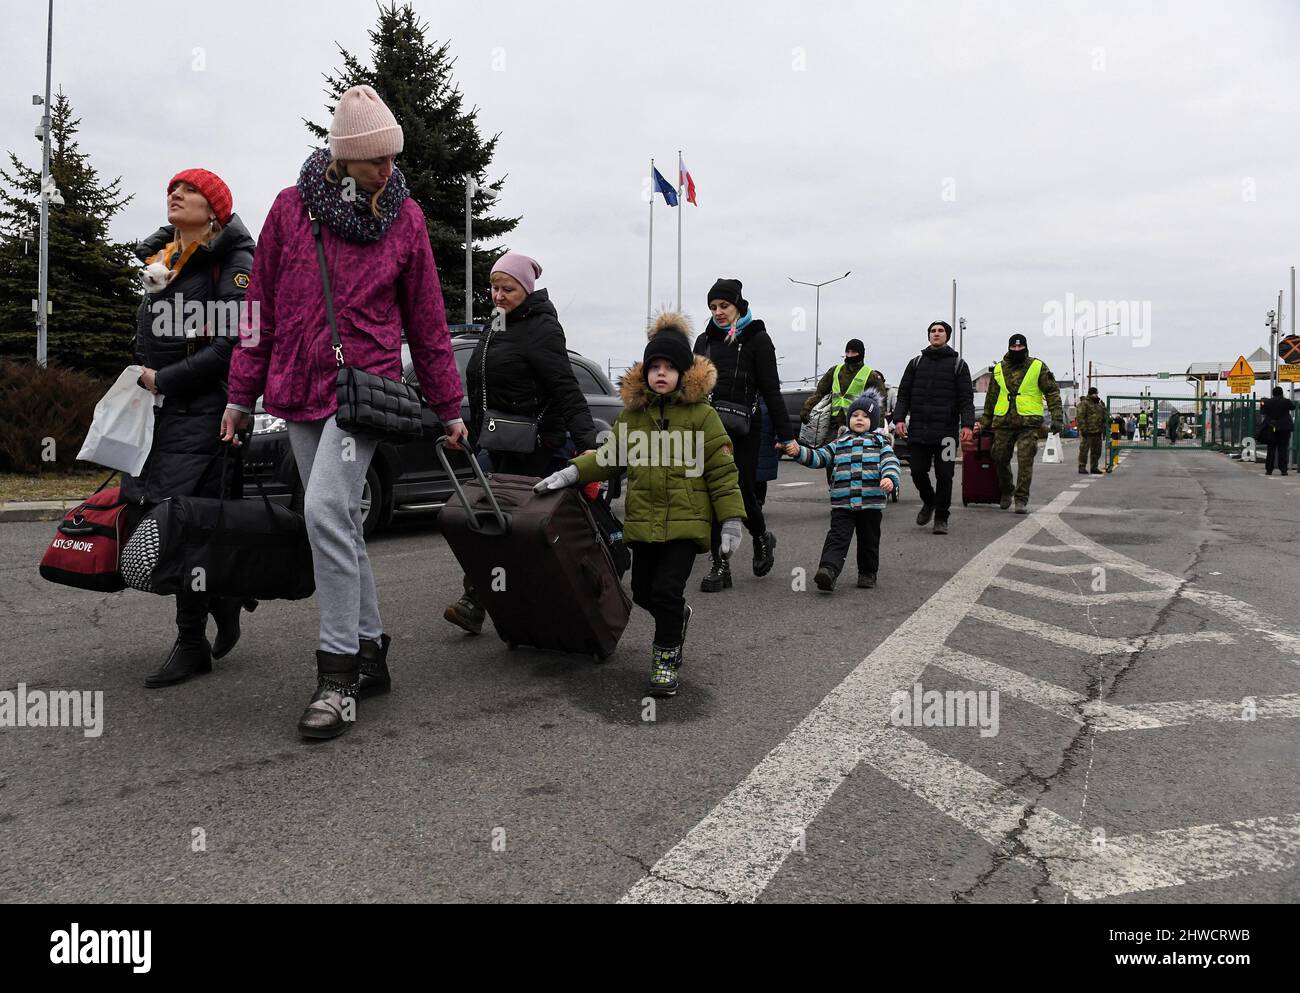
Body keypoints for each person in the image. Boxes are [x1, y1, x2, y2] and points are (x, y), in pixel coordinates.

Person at [224, 85, 467, 740]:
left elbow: (428, 321)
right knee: (342, 526)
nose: (387, 171)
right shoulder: (288, 210)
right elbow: (259, 312)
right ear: (342, 157)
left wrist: (449, 405)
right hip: (295, 387)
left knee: (327, 510)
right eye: (374, 161)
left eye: (393, 159)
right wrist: (240, 395)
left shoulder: (406, 220)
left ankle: (337, 673)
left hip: (363, 389)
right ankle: (372, 649)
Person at [533, 313, 744, 697]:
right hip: (645, 523)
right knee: (644, 591)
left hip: (685, 524)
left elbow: (722, 471)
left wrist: (730, 519)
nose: (661, 373)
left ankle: (665, 658)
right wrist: (571, 472)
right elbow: (608, 455)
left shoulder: (702, 417)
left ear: (684, 373)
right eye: (654, 367)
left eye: (669, 367)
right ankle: (676, 618)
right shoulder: (633, 418)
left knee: (665, 591)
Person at [125, 168, 255, 689]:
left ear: (215, 207)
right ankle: (222, 602)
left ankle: (191, 641)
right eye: (171, 190)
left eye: (190, 190)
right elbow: (157, 330)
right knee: (163, 517)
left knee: (181, 524)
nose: (175, 195)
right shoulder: (167, 260)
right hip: (161, 409)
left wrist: (167, 379)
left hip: (207, 412)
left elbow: (232, 345)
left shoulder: (234, 262)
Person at [442, 252, 600, 635]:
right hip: (494, 443)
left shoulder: (542, 328)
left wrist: (589, 447)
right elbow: (481, 385)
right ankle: (478, 598)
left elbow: (566, 388)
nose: (498, 295)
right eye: (494, 287)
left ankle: (555, 600)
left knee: (524, 530)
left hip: (536, 448)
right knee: (483, 522)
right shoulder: (497, 323)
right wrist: (468, 431)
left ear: (526, 290)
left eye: (507, 288)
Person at [692, 278, 796, 591]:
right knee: (712, 494)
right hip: (709, 428)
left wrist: (787, 436)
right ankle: (720, 565)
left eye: (723, 306)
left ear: (738, 304)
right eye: (712, 307)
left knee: (740, 492)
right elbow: (692, 388)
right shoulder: (704, 341)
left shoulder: (758, 340)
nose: (718, 312)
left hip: (746, 430)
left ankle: (761, 535)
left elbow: (772, 392)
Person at [781, 388, 900, 590]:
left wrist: (889, 478)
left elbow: (891, 463)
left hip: (871, 503)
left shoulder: (881, 444)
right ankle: (828, 570)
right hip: (842, 502)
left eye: (865, 416)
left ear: (874, 421)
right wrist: (797, 452)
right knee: (837, 537)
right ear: (848, 419)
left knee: (868, 541)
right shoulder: (839, 443)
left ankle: (867, 573)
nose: (859, 419)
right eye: (854, 415)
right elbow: (819, 457)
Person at [891, 320, 975, 535]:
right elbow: (903, 395)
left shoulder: (959, 365)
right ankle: (929, 501)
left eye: (941, 331)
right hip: (919, 430)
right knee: (917, 471)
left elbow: (966, 399)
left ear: (947, 335)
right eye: (933, 331)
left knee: (945, 475)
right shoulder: (916, 363)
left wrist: (966, 424)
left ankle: (941, 517)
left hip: (946, 433)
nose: (936, 334)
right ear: (928, 336)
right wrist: (899, 419)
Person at [979, 333, 1064, 514]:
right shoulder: (999, 369)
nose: (1017, 350)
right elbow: (991, 397)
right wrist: (985, 422)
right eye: (1014, 347)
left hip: (1029, 422)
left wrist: (1057, 417)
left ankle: (1021, 498)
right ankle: (1007, 490)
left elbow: (1052, 392)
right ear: (1009, 348)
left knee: (1025, 460)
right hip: (1003, 421)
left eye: (1020, 347)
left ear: (1025, 347)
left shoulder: (1037, 366)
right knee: (999, 457)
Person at [801, 338, 887, 435]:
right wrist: (807, 408)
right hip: (833, 426)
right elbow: (819, 393)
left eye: (854, 352)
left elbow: (881, 405)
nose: (850, 355)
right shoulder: (835, 370)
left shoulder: (871, 376)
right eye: (847, 352)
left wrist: (877, 430)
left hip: (857, 428)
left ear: (861, 353)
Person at [1260, 386, 1296, 476]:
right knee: (1283, 449)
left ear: (1273, 393)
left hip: (1271, 427)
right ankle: (1283, 470)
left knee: (1271, 449)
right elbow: (1293, 407)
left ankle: (1269, 470)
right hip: (1284, 428)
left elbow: (1263, 412)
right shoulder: (1286, 401)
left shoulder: (1268, 402)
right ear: (1282, 393)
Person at [1076, 387, 1106, 474]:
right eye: (1095, 393)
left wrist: (1103, 407)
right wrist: (1083, 429)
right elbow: (1080, 417)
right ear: (1090, 394)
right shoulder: (1084, 403)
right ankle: (1082, 466)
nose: (1096, 395)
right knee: (1084, 450)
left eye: (1097, 393)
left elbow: (1104, 417)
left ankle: (1094, 467)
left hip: (1097, 432)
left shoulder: (1099, 404)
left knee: (1097, 451)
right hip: (1087, 432)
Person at [754, 396, 779, 506]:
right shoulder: (769, 403)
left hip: (763, 445)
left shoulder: (768, 402)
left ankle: (758, 500)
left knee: (759, 476)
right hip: (763, 445)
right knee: (758, 476)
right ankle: (757, 500)